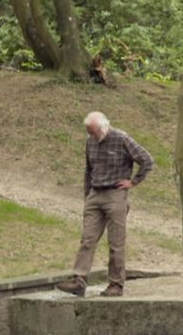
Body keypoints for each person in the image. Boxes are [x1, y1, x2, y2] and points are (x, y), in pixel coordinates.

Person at [56, 111, 154, 297]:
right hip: (95, 193)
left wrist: (133, 182)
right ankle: (79, 280)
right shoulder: (90, 141)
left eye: (93, 132)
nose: (91, 136)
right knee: (87, 239)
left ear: (103, 127)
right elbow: (88, 169)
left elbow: (147, 160)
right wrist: (87, 196)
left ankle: (116, 284)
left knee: (116, 242)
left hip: (115, 194)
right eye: (89, 133)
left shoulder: (121, 138)